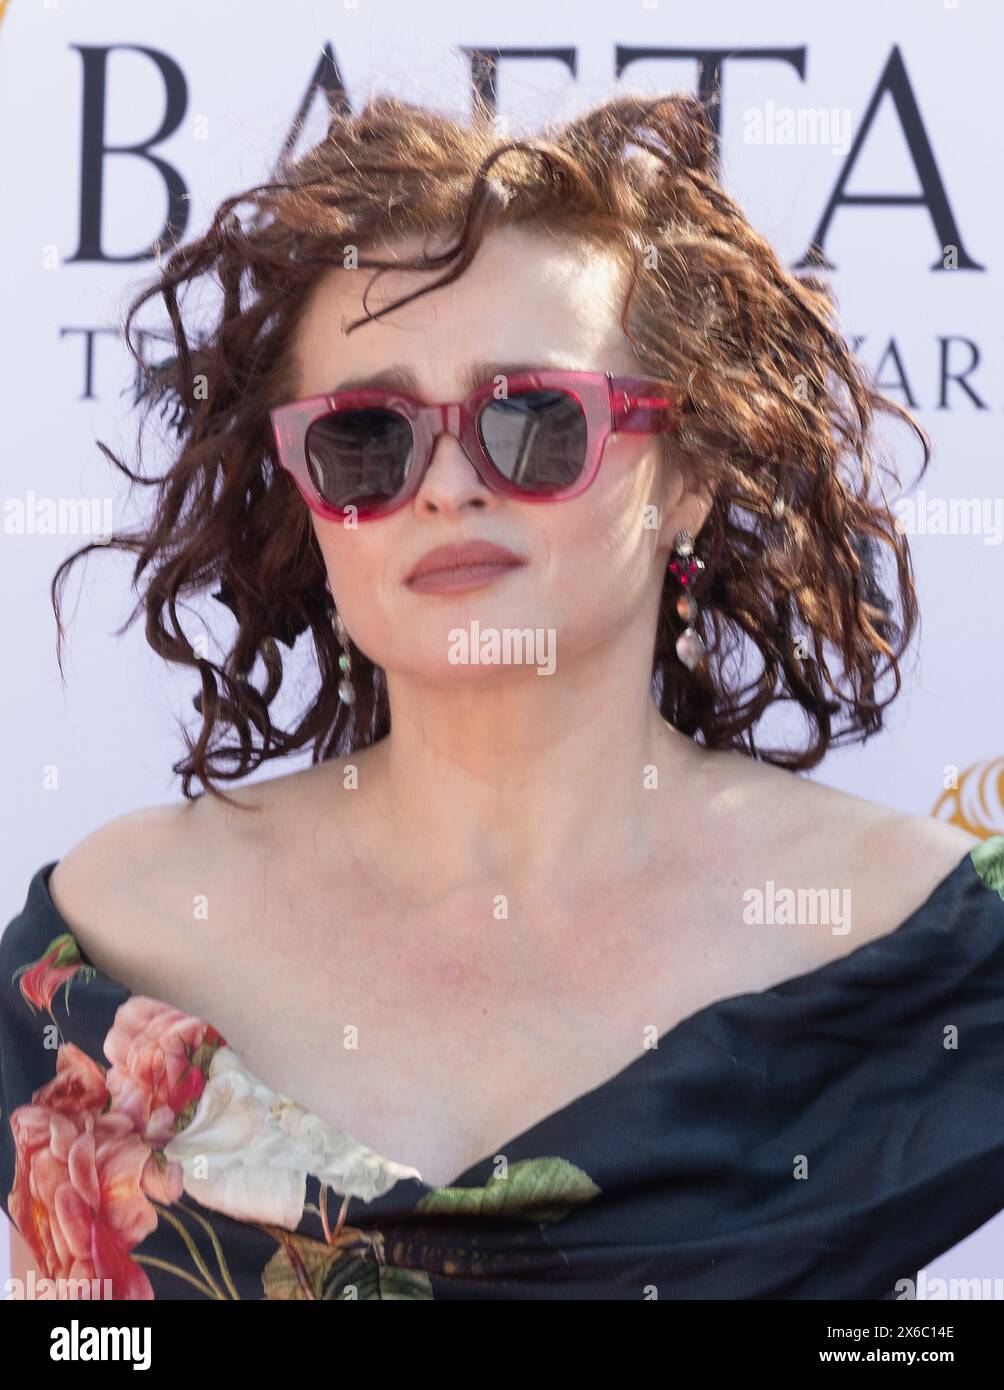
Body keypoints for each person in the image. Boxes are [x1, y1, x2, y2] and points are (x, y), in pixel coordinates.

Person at [2, 91, 1002, 1301]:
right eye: (366, 438)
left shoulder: (916, 948)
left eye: (532, 420)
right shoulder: (111, 940)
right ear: (310, 504)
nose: (446, 485)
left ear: (686, 479)